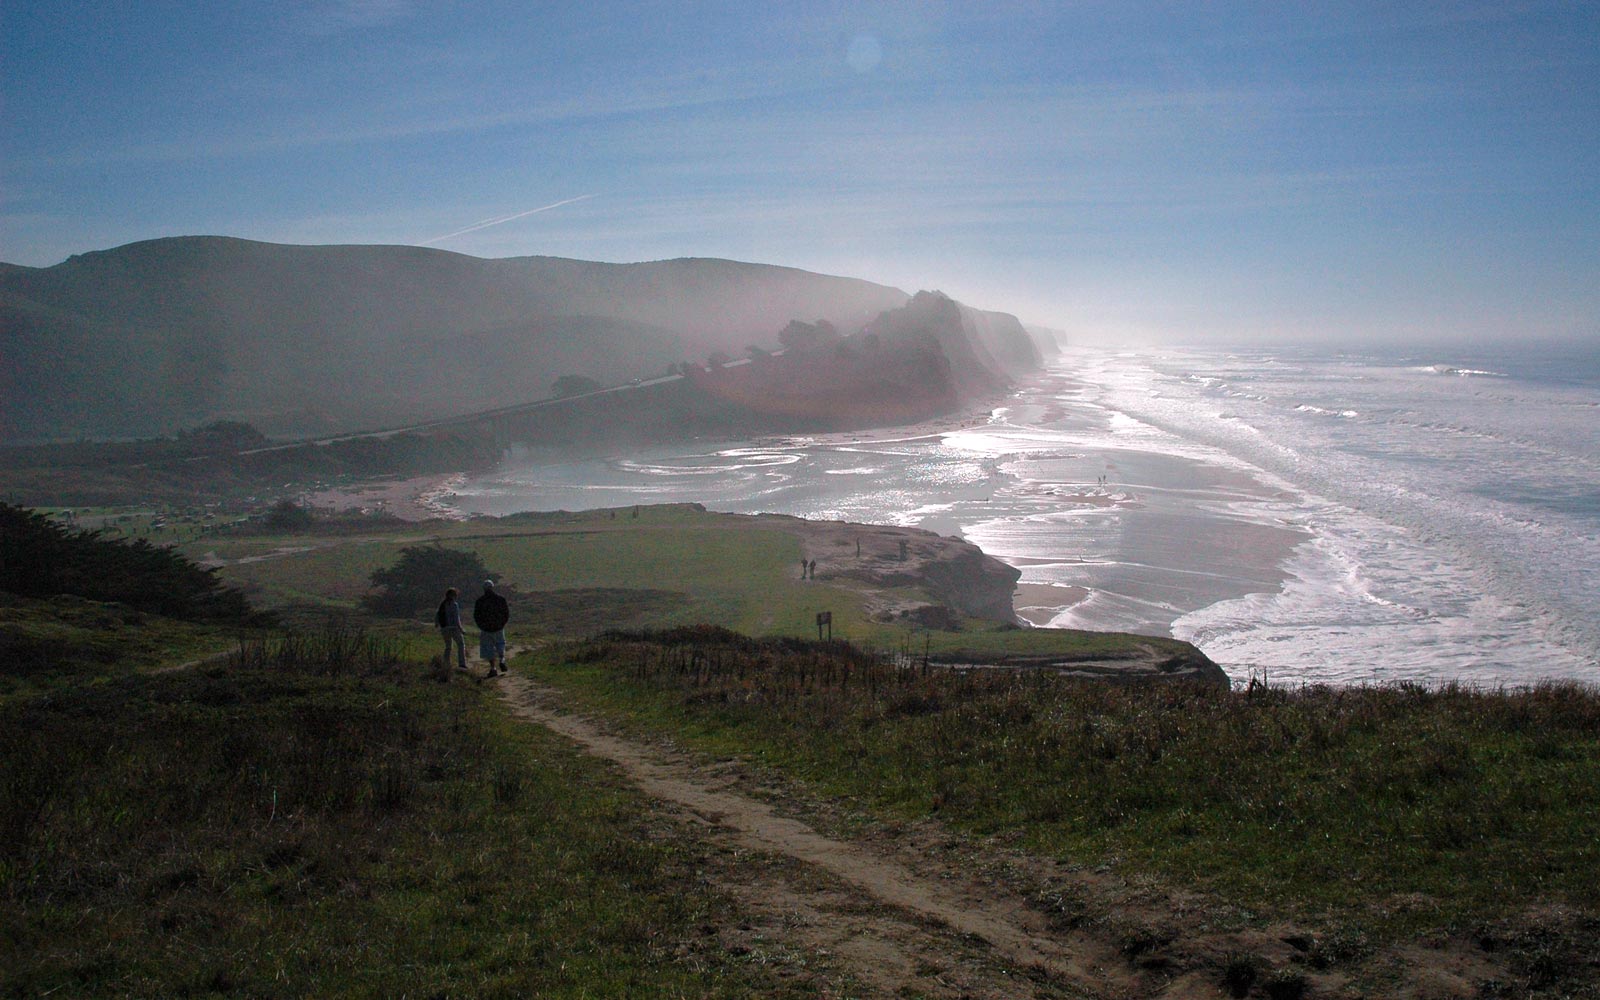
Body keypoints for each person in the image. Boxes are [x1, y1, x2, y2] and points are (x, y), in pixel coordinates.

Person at [474, 579, 511, 676]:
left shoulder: (480, 601)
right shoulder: (501, 599)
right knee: (500, 645)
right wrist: (502, 624)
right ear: (492, 587)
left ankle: (493, 668)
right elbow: (506, 613)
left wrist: (481, 626)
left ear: (484, 589)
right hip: (498, 627)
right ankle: (502, 660)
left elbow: (476, 616)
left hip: (486, 629)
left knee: (488, 649)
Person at [437, 587, 467, 672]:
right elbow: (456, 618)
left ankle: (446, 664)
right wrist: (461, 629)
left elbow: (437, 615)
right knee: (460, 644)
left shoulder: (442, 604)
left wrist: (437, 625)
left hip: (444, 629)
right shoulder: (454, 604)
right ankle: (462, 664)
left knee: (448, 646)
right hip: (453, 628)